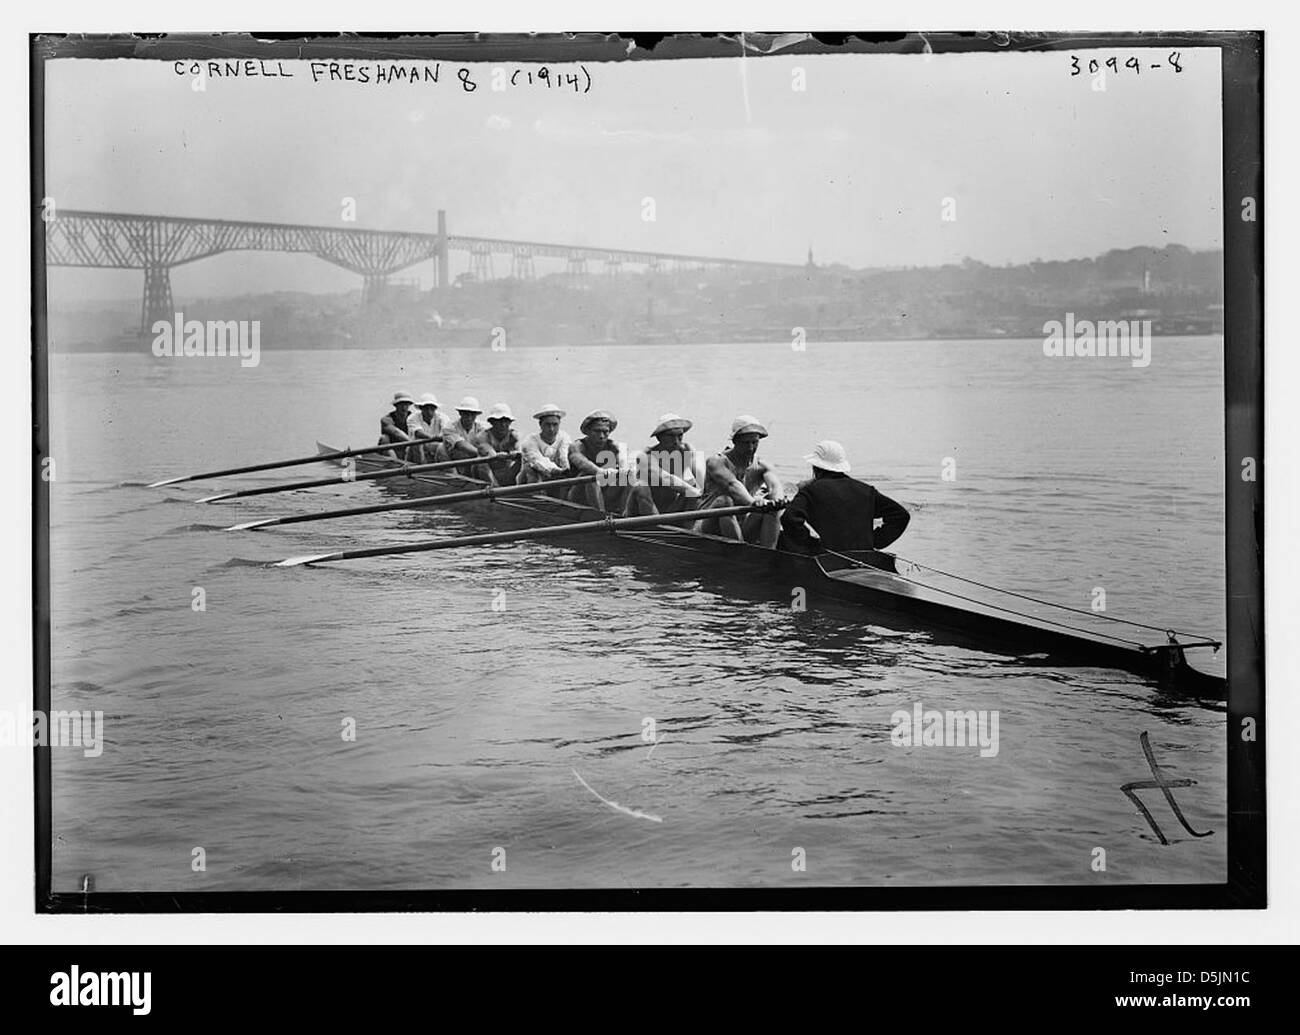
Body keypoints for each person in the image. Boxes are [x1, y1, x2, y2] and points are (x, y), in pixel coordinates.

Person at [779, 441, 910, 556]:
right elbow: (901, 515)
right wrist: (875, 541)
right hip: (866, 557)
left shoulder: (810, 491)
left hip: (827, 558)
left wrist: (810, 544)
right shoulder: (865, 490)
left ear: (815, 467)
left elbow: (789, 519)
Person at [694, 415, 784, 547]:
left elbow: (775, 486)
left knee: (772, 505)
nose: (750, 448)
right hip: (708, 524)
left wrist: (778, 501)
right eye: (745, 443)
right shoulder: (716, 462)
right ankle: (742, 555)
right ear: (735, 441)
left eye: (754, 443)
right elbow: (732, 485)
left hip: (741, 525)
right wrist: (753, 502)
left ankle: (768, 556)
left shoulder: (762, 465)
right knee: (725, 501)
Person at [566, 410, 655, 515]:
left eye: (605, 432)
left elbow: (623, 463)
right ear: (588, 431)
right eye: (597, 431)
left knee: (628, 476)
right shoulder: (577, 446)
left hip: (604, 495)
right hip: (578, 496)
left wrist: (624, 470)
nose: (601, 436)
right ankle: (600, 517)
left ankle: (624, 515)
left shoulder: (614, 446)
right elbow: (580, 461)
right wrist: (599, 471)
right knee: (591, 476)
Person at [637, 413, 705, 513]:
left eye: (680, 435)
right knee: (640, 486)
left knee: (694, 485)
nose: (676, 441)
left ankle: (692, 526)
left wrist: (702, 492)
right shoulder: (646, 455)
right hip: (647, 510)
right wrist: (695, 492)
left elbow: (701, 476)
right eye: (671, 436)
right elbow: (665, 478)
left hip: (671, 509)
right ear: (659, 437)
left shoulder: (687, 449)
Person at [518, 404, 573, 486]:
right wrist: (558, 470)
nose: (551, 429)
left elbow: (564, 456)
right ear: (540, 424)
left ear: (559, 424)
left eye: (555, 424)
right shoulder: (530, 441)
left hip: (558, 480)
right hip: (532, 481)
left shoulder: (564, 437)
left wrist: (567, 469)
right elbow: (537, 461)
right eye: (548, 425)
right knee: (531, 468)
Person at [471, 403, 523, 486]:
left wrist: (516, 453)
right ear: (492, 422)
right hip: (488, 472)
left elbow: (520, 450)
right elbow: (488, 451)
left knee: (525, 461)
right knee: (481, 463)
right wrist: (496, 455)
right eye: (499, 421)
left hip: (507, 472)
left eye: (506, 421)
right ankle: (493, 488)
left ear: (510, 422)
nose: (503, 425)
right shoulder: (483, 436)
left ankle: (519, 487)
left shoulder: (514, 435)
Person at [406, 393, 453, 464]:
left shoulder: (443, 417)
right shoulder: (412, 418)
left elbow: (446, 431)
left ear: (435, 408)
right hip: (416, 450)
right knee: (416, 444)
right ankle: (420, 469)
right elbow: (418, 432)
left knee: (443, 447)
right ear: (421, 408)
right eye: (426, 408)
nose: (429, 412)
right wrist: (432, 437)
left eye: (432, 408)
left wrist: (440, 437)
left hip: (436, 448)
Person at [439, 396, 487, 463]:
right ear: (460, 413)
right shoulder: (449, 428)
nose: (469, 418)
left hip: (473, 460)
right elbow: (461, 444)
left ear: (476, 415)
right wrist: (484, 454)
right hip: (453, 461)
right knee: (440, 448)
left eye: (472, 414)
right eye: (466, 414)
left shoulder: (482, 427)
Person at [377, 391, 418, 461]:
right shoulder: (386, 419)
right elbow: (397, 432)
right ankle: (395, 463)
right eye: (401, 404)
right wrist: (414, 443)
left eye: (406, 404)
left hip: (409, 450)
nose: (404, 407)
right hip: (392, 450)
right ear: (395, 405)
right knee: (384, 438)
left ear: (409, 405)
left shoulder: (415, 418)